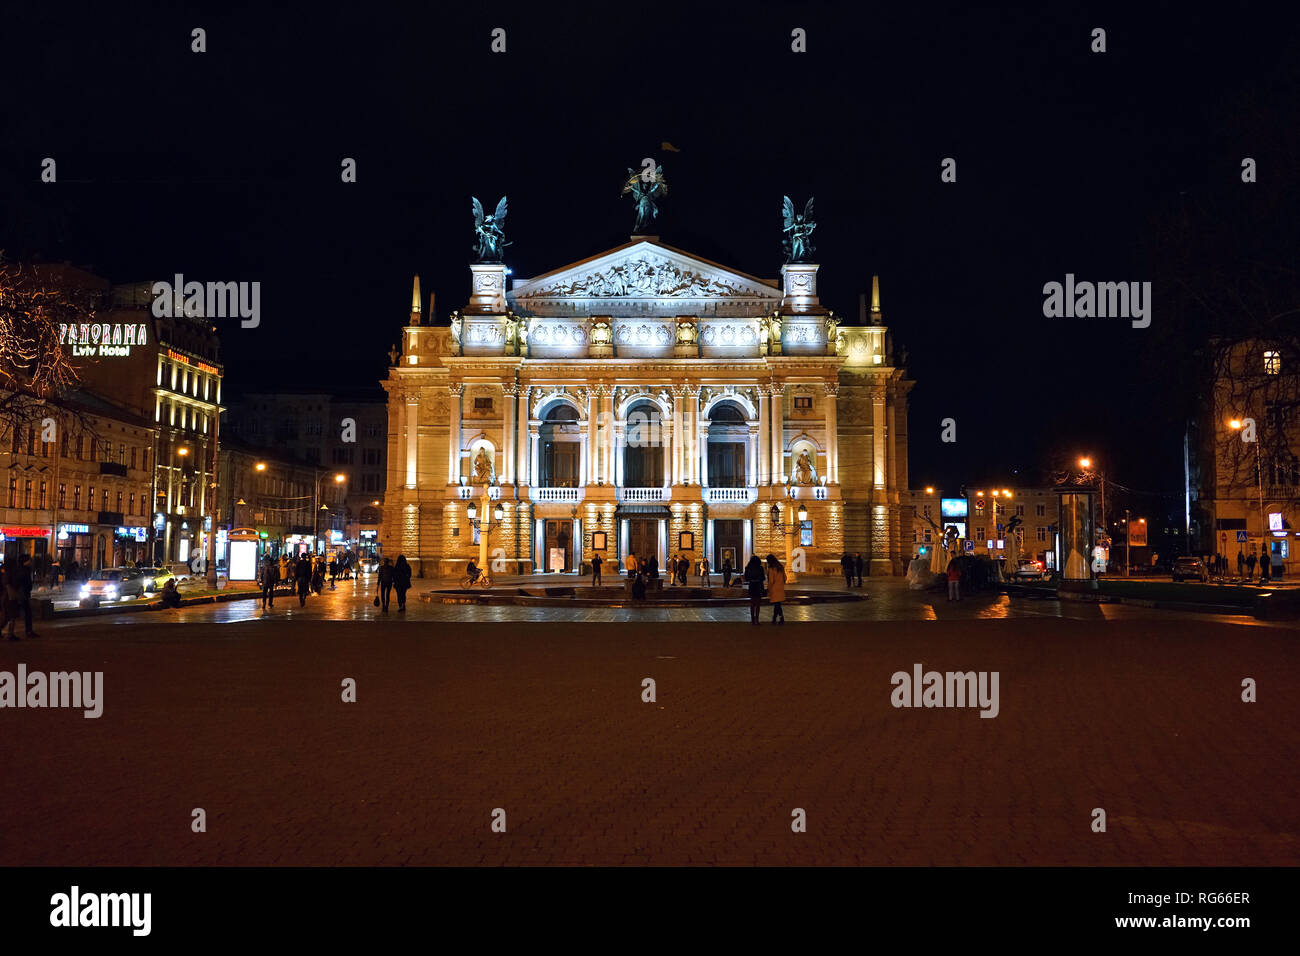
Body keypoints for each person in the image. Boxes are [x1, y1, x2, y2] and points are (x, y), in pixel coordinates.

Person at [744, 555, 765, 625]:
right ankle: (757, 619)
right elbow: (763, 578)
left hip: (752, 585)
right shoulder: (760, 568)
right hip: (758, 585)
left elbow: (746, 578)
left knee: (752, 603)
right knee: (758, 604)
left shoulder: (748, 568)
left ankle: (752, 619)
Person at [765, 554, 786, 624]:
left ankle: (780, 618)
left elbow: (771, 580)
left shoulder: (771, 569)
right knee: (778, 604)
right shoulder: (780, 567)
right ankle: (775, 618)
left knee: (777, 604)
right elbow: (785, 578)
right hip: (780, 587)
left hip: (774, 588)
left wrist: (768, 589)